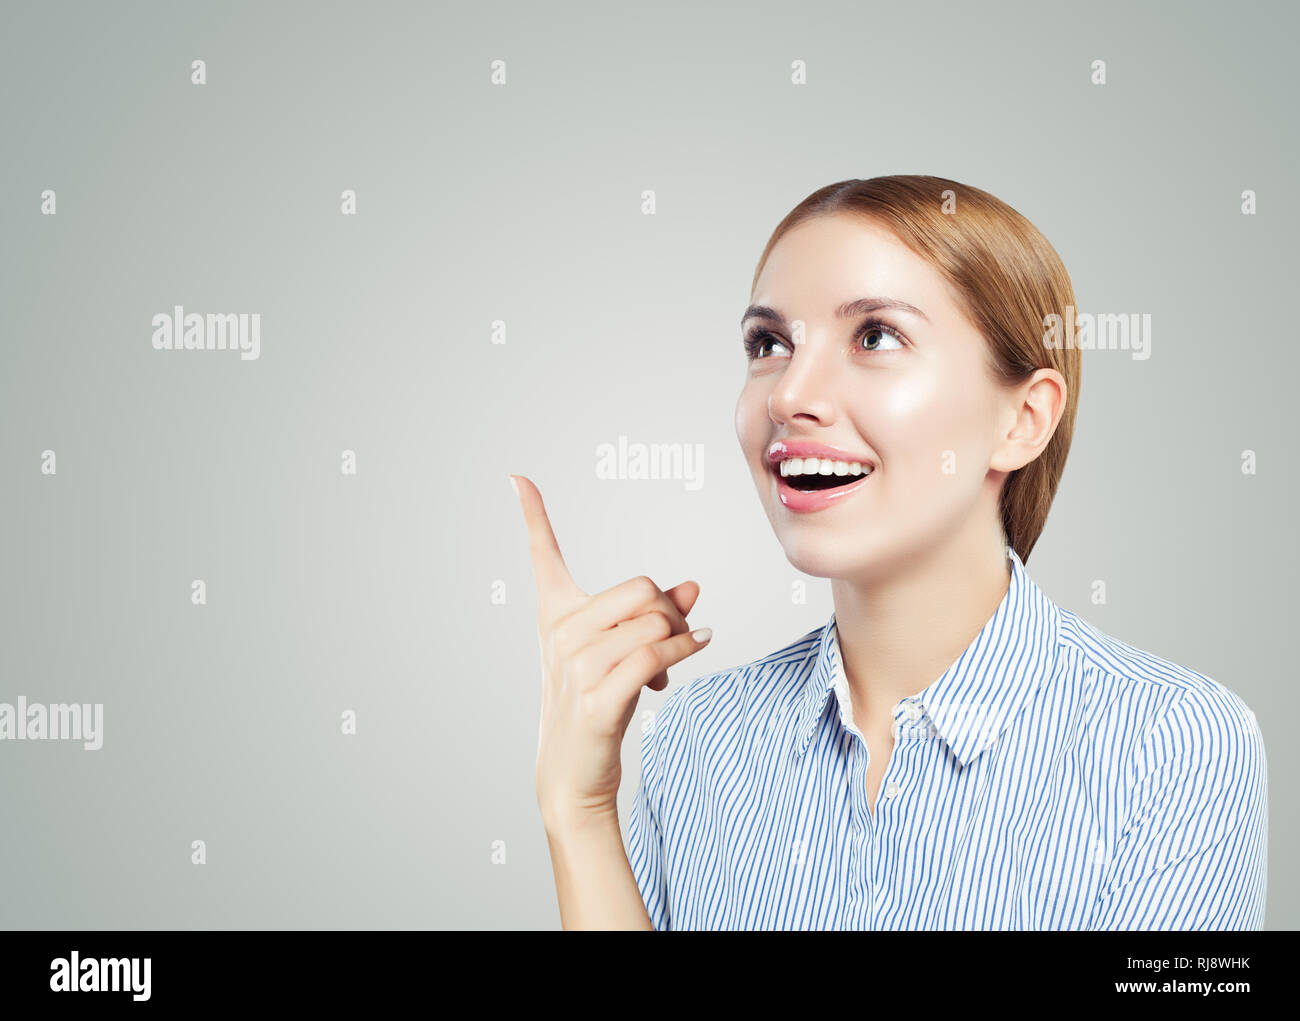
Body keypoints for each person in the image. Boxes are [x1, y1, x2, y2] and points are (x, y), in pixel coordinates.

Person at [511, 175, 1267, 930]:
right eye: (769, 344)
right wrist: (578, 812)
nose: (788, 395)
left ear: (1023, 419)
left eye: (876, 336)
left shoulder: (1174, 742)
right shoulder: (698, 741)